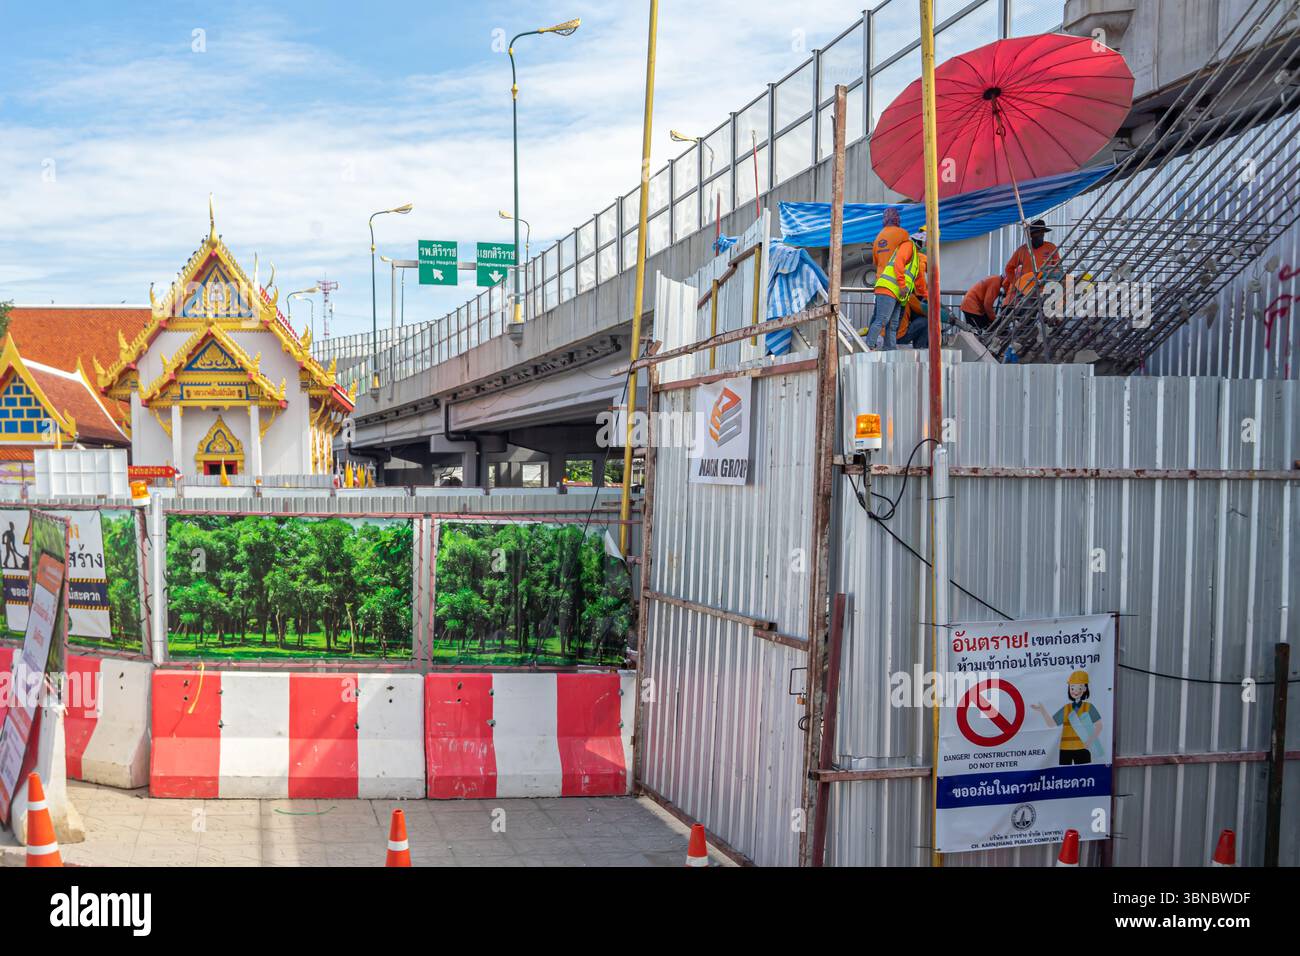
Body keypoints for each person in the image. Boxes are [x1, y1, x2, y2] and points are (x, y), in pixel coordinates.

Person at [864, 228, 927, 351]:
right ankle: (869, 346)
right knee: (882, 320)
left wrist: (927, 295)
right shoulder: (908, 246)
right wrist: (902, 285)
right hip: (889, 288)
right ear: (920, 242)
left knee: (892, 324)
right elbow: (898, 263)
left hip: (898, 293)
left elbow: (919, 282)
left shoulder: (916, 258)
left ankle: (890, 348)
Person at [1031, 669, 1105, 766]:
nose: (1075, 691)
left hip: (1083, 748)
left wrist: (1090, 741)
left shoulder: (1089, 707)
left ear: (1085, 689)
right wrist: (1043, 711)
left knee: (1084, 775)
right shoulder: (1067, 708)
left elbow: (1099, 726)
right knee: (1064, 775)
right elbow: (1051, 723)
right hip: (1065, 749)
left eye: (1079, 688)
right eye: (1072, 688)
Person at [1002, 219, 1060, 302]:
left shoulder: (1051, 247)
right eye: (1037, 233)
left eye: (1042, 232)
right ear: (1031, 235)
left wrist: (1051, 280)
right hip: (1028, 291)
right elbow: (1009, 268)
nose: (1040, 235)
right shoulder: (1022, 250)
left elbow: (1058, 267)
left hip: (1046, 290)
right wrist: (1017, 283)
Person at [872, 206, 909, 275]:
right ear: (897, 218)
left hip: (881, 279)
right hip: (896, 279)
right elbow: (909, 257)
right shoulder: (903, 233)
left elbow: (876, 262)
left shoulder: (877, 237)